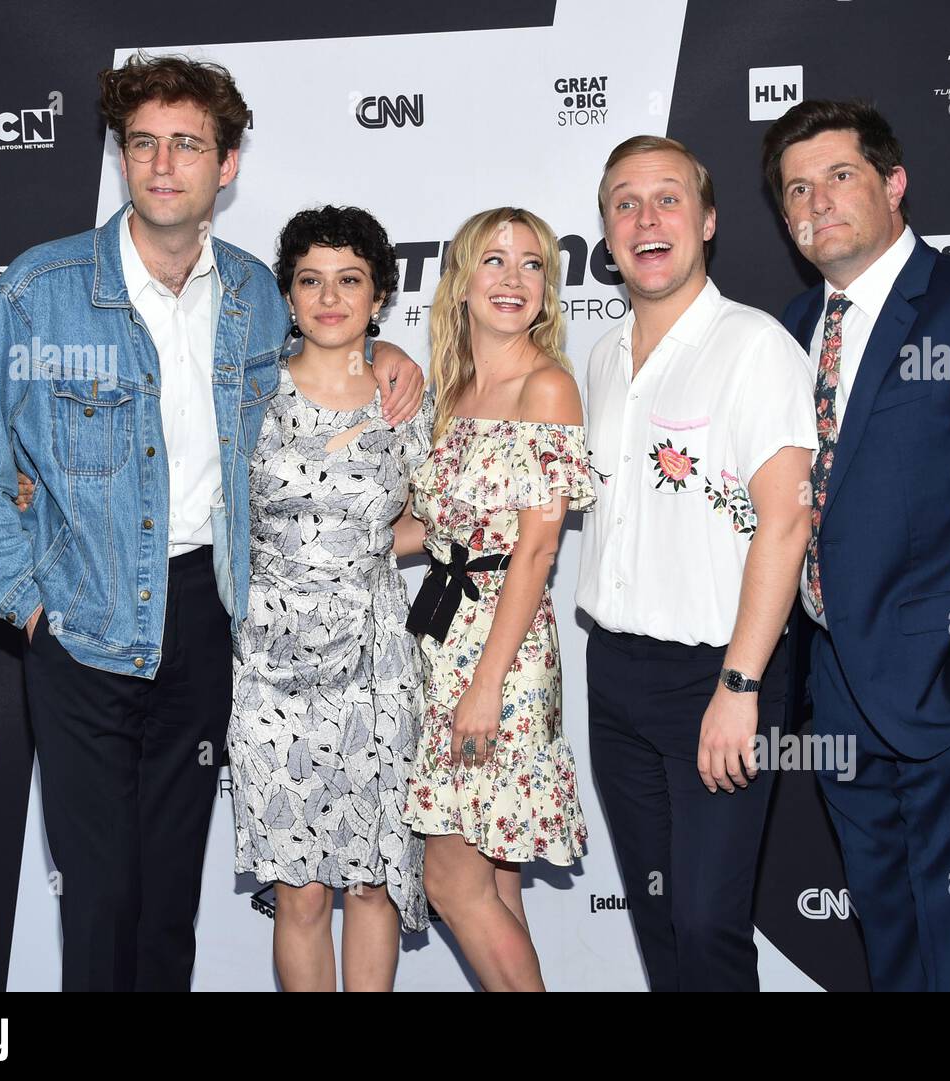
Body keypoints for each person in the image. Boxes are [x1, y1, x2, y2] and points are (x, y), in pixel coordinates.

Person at [0, 53, 423, 992]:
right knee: (102, 893)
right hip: (83, 619)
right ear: (121, 156)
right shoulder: (39, 291)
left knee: (168, 899)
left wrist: (384, 346)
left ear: (226, 165)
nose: (164, 164)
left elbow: (326, 356)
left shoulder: (252, 295)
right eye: (144, 143)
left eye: (188, 145)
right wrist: (28, 603)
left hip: (211, 616)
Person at [761, 99, 950, 991]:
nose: (816, 201)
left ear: (895, 185)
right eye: (796, 189)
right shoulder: (790, 330)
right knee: (892, 939)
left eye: (840, 176)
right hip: (839, 690)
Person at [577, 135, 817, 992]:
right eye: (625, 202)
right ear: (605, 233)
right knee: (661, 922)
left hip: (719, 676)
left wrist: (742, 685)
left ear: (708, 220)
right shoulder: (603, 360)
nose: (647, 219)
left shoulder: (753, 347)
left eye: (668, 198)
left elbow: (787, 521)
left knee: (710, 926)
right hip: (616, 679)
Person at [227, 206, 432, 992]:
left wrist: (369, 544)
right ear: (288, 294)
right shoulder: (246, 399)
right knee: (300, 888)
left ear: (379, 294)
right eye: (310, 280)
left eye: (350, 280)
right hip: (271, 671)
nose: (330, 297)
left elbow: (439, 520)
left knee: (374, 880)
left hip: (377, 665)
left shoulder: (407, 401)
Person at [399, 207, 593, 992]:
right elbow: (429, 527)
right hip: (442, 636)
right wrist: (316, 544)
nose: (513, 279)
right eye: (494, 261)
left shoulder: (545, 386)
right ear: (462, 282)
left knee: (449, 878)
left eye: (532, 264)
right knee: (495, 883)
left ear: (548, 289)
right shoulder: (457, 388)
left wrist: (486, 683)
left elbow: (537, 547)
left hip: (500, 657)